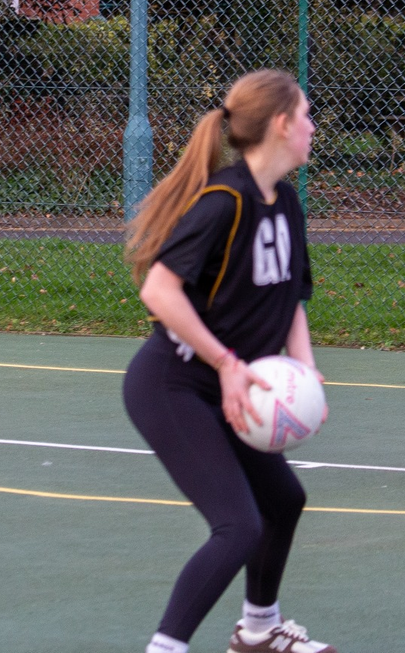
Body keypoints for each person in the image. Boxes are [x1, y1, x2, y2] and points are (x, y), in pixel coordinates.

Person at [122, 69, 336, 653]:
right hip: (174, 384)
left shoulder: (285, 201)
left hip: (230, 384)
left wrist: (303, 366)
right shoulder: (223, 201)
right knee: (238, 526)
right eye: (308, 116)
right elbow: (158, 292)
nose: (315, 127)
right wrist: (225, 363)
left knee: (284, 501)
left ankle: (259, 630)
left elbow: (291, 294)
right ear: (281, 124)